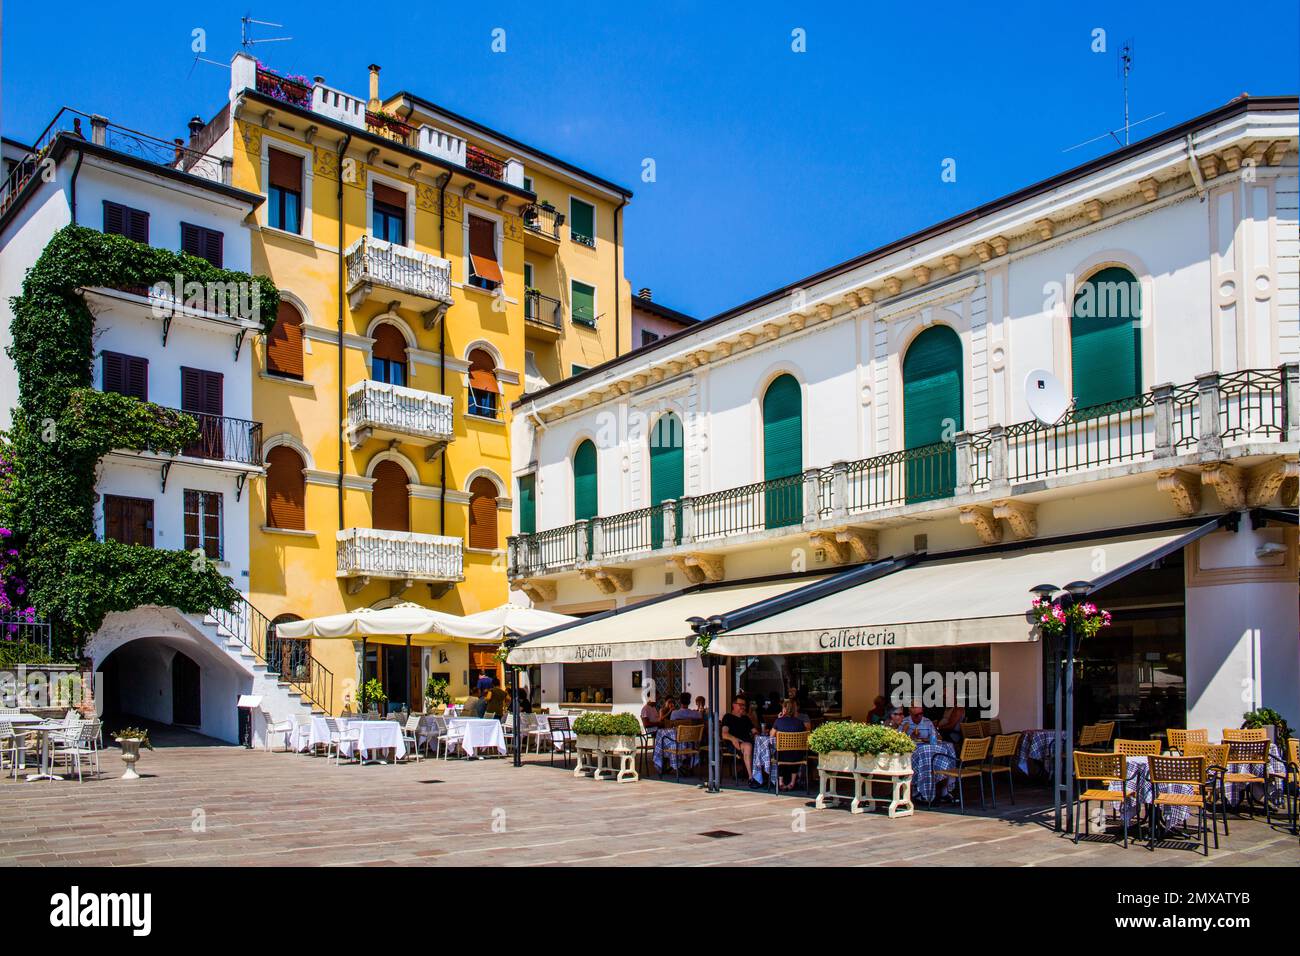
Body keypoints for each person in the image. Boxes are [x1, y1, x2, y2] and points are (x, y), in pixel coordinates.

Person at [770, 699, 809, 791]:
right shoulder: (800, 723)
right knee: (794, 751)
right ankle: (792, 783)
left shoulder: (778, 721)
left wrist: (779, 718)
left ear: (784, 709)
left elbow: (771, 735)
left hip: (782, 756)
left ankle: (780, 782)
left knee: (781, 752)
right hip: (797, 757)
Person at [720, 697, 760, 787]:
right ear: (734, 705)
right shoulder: (728, 717)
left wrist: (756, 734)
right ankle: (751, 778)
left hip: (747, 742)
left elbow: (754, 731)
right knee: (748, 746)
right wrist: (733, 739)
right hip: (735, 744)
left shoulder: (746, 718)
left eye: (744, 705)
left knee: (762, 745)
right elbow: (724, 734)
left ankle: (765, 778)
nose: (743, 707)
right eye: (741, 705)